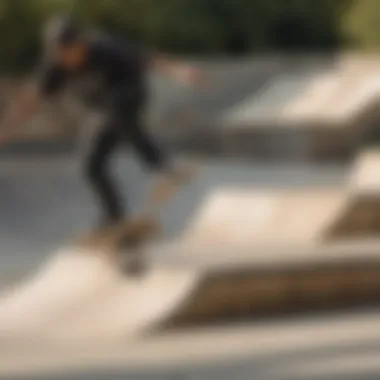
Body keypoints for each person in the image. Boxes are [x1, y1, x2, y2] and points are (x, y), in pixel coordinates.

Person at [1, 15, 206, 229]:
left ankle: (158, 162)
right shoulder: (55, 66)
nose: (69, 59)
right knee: (90, 166)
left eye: (72, 51)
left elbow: (146, 58)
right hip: (102, 112)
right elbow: (31, 98)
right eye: (62, 54)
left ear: (81, 43)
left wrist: (179, 71)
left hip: (130, 93)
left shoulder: (104, 47)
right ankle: (114, 217)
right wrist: (7, 128)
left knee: (117, 106)